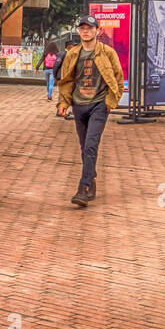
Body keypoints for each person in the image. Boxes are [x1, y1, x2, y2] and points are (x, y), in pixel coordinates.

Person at [57, 14, 124, 208]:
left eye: (90, 28)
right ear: (79, 31)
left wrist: (111, 102)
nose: (86, 31)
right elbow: (67, 81)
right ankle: (91, 178)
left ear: (97, 31)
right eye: (82, 28)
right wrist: (63, 103)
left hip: (99, 104)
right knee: (84, 147)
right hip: (79, 105)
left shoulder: (107, 52)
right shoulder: (72, 54)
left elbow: (118, 79)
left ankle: (83, 189)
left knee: (91, 145)